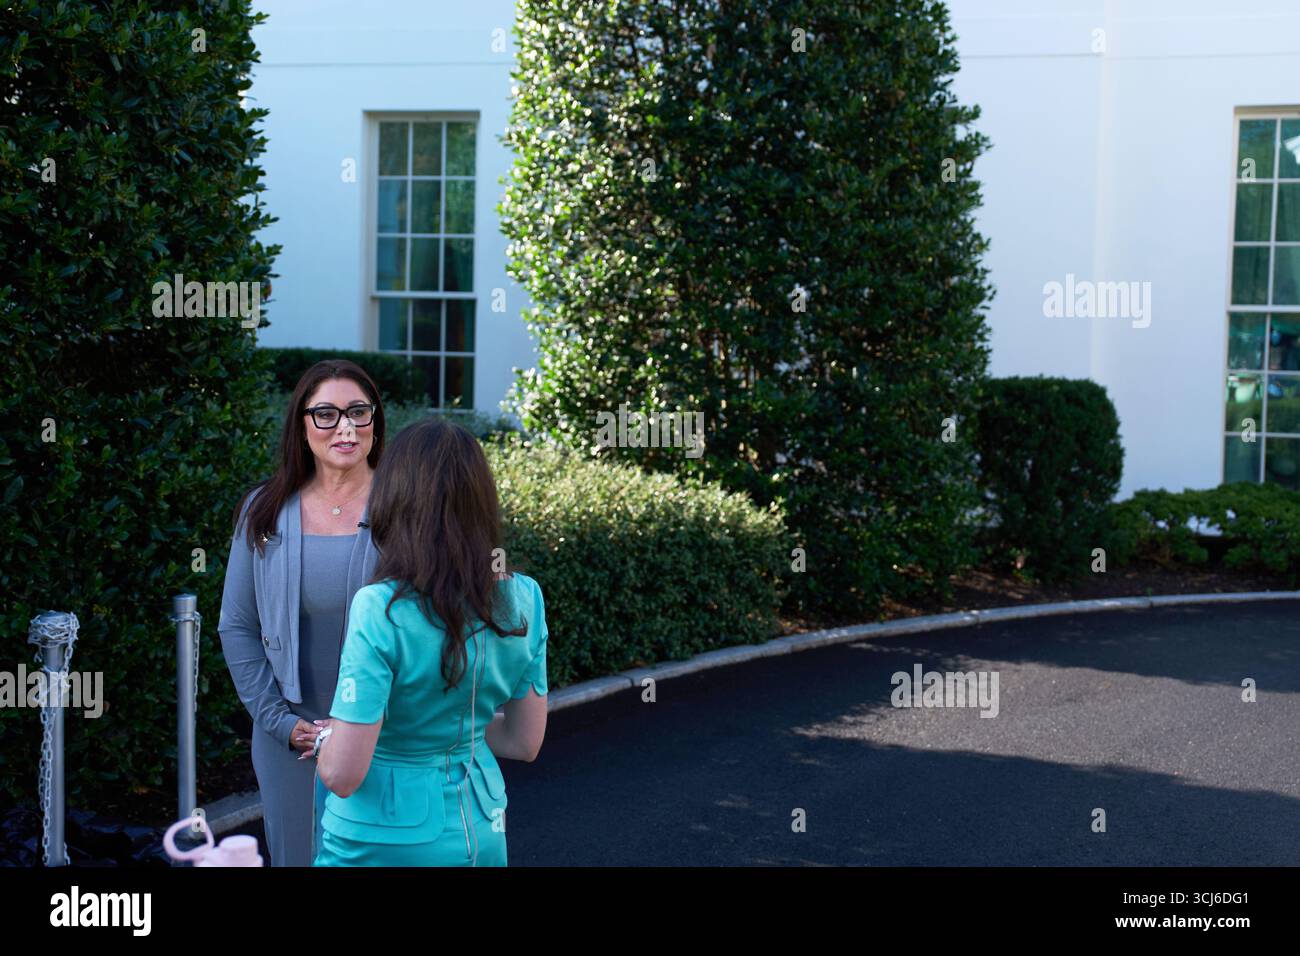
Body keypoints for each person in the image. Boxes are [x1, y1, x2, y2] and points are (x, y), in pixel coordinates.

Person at [312, 419, 548, 866]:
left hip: (379, 842)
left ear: (396, 499)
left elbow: (342, 774)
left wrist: (332, 738)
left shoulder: (379, 607)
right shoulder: (524, 598)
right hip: (480, 829)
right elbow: (523, 742)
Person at [217, 359, 386, 866]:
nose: (346, 427)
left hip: (386, 735)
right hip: (289, 740)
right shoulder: (263, 510)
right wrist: (280, 723)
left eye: (359, 411)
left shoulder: (408, 507)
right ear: (301, 424)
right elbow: (238, 626)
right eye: (327, 414)